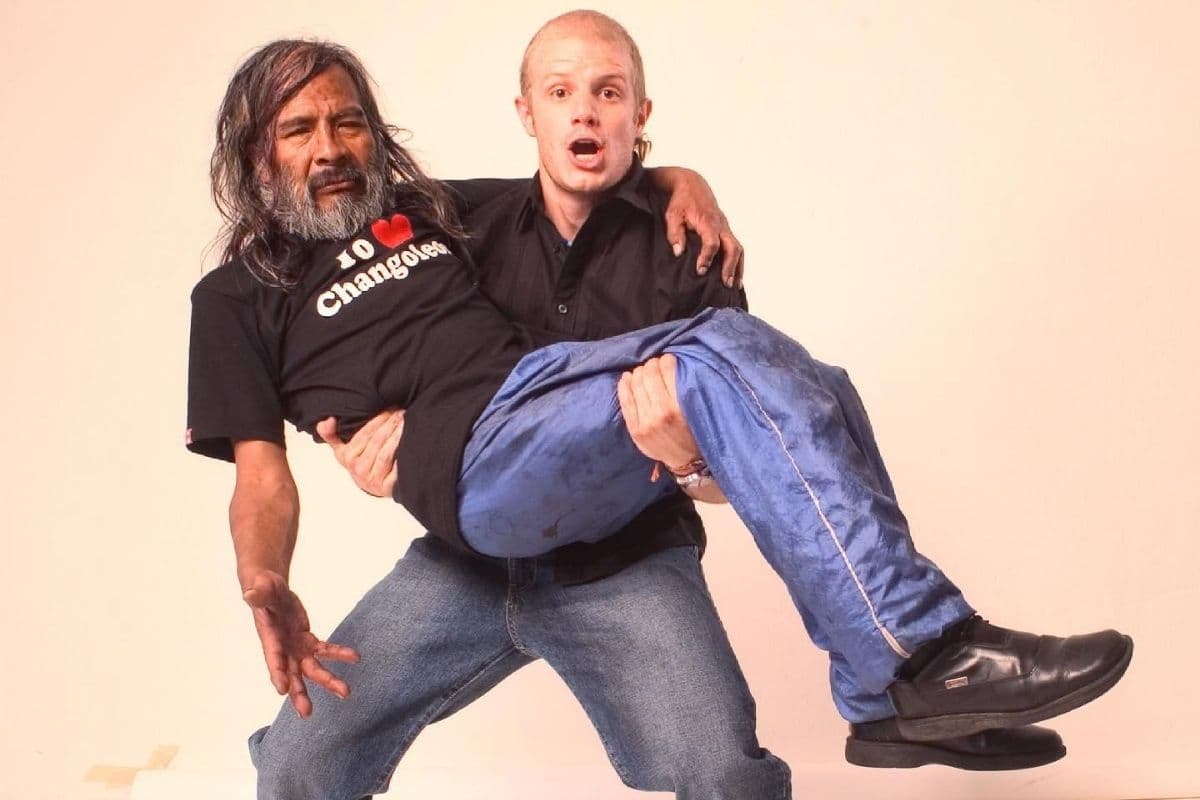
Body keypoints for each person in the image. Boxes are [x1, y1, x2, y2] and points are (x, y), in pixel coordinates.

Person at [187, 17, 1130, 800]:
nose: (329, 148)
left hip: (613, 539)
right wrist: (264, 580)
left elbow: (589, 185)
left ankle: (900, 684)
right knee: (301, 767)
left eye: (347, 123)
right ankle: (912, 662)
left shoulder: (430, 210)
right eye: (298, 130)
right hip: (473, 507)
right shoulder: (236, 297)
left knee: (805, 386)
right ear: (256, 151)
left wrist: (681, 183)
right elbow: (261, 479)